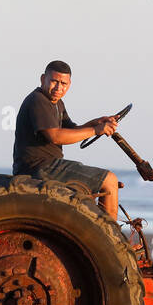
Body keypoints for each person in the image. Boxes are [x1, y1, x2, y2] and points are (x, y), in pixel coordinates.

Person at [12, 60, 121, 218]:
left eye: (63, 83)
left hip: (49, 165)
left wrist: (95, 123)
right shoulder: (38, 101)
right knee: (109, 180)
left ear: (69, 85)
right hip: (38, 167)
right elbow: (55, 136)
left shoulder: (57, 103)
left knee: (103, 182)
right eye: (54, 81)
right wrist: (95, 130)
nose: (58, 87)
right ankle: (112, 239)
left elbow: (70, 130)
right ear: (43, 79)